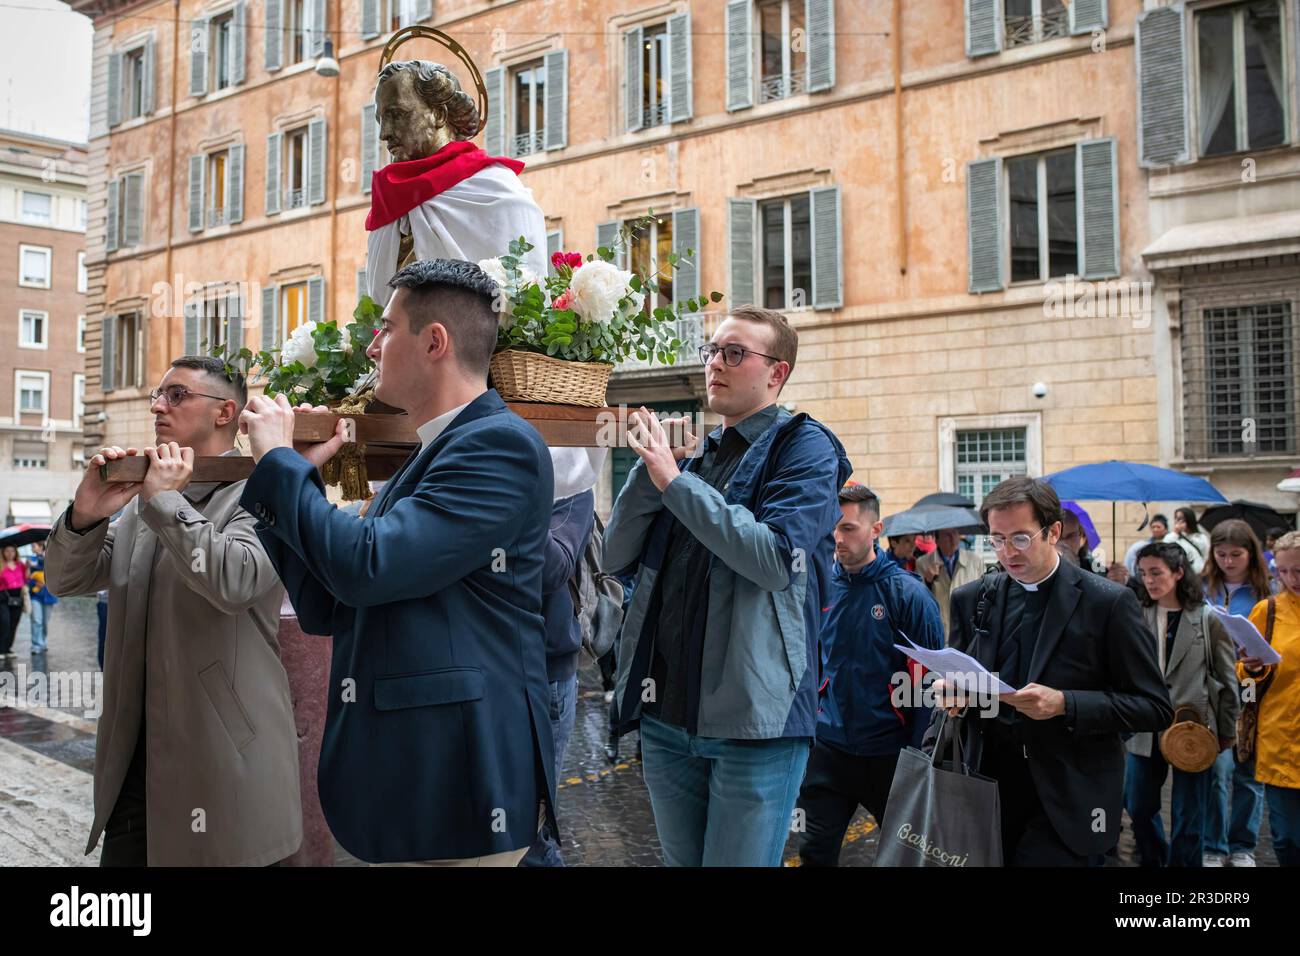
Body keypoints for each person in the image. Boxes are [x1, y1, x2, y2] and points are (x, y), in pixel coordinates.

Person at [238, 259, 557, 867]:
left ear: (434, 341)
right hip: (398, 785)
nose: (372, 345)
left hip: (455, 786)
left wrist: (281, 468)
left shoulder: (499, 445)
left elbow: (368, 566)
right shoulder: (429, 453)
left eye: (385, 329)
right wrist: (290, 480)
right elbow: (328, 604)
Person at [604, 304, 851, 867]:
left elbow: (771, 559)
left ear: (776, 372)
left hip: (754, 724)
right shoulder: (695, 457)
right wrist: (651, 474)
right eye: (712, 350)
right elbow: (616, 556)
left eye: (734, 353)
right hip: (667, 716)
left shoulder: (805, 447)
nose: (715, 363)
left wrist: (672, 480)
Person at [43, 356, 302, 866]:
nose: (159, 406)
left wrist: (166, 504)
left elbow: (238, 580)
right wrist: (84, 516)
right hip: (132, 762)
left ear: (226, 411)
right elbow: (65, 579)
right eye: (158, 396)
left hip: (222, 760)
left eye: (177, 395)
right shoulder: (145, 503)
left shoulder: (265, 492)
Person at [929, 476, 1172, 866]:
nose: (1008, 552)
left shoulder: (1108, 603)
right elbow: (959, 676)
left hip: (1069, 797)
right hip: (986, 791)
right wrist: (951, 693)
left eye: (1021, 538)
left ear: (1053, 531)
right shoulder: (972, 598)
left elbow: (1155, 706)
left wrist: (1065, 704)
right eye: (997, 539)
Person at [797, 485, 943, 866]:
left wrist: (918, 759)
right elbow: (808, 663)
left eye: (848, 528)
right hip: (829, 749)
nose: (837, 538)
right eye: (832, 528)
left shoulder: (908, 595)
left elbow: (929, 685)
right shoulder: (818, 586)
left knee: (906, 856)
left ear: (876, 529)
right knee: (814, 851)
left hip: (888, 755)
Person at [1125, 543, 1238, 867]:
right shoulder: (1136, 614)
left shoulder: (1206, 619)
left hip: (1194, 726)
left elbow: (1227, 680)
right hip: (1145, 727)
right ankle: (1156, 858)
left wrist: (1227, 731)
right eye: (1143, 573)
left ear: (1178, 573)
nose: (1149, 580)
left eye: (1156, 572)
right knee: (1138, 805)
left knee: (1189, 812)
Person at [520, 473, 596, 868]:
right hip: (486, 668)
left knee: (529, 835)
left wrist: (508, 492)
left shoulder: (572, 480)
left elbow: (553, 567)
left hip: (544, 673)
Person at [1200, 519, 1278, 866]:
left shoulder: (1268, 591)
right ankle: (1213, 845)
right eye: (1221, 554)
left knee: (1248, 768)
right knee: (1217, 769)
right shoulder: (1203, 588)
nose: (1228, 562)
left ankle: (1243, 845)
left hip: (1253, 687)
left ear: (1252, 554)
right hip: (1214, 687)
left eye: (1236, 554)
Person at [1242, 531, 1300, 866]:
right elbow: (1245, 675)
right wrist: (1251, 669)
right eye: (1284, 571)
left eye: (1299, 571)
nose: (1292, 579)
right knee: (1287, 837)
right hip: (1280, 741)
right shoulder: (1269, 611)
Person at [916, 527, 983, 639]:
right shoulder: (923, 563)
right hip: (937, 632)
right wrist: (927, 581)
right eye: (947, 535)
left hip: (968, 632)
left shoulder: (975, 561)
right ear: (936, 540)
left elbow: (983, 598)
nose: (953, 539)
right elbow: (918, 601)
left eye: (955, 533)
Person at [26, 540, 58, 655]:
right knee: (36, 620)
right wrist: (34, 583)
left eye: (33, 546)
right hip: (35, 595)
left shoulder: (51, 559)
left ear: (41, 547)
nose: (32, 548)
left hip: (49, 595)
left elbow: (57, 575)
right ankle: (36, 645)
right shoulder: (31, 560)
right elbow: (26, 578)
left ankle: (43, 642)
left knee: (44, 622)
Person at [0, 545, 28, 663]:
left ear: (15, 552)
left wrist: (28, 571)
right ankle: (1, 649)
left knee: (13, 624)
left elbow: (25, 580)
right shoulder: (1, 565)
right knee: (4, 623)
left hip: (17, 597)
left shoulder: (20, 565)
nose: (10, 553)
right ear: (3, 552)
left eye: (12, 551)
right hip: (2, 597)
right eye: (7, 551)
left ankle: (8, 649)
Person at [1165, 507, 1210, 575]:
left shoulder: (1201, 537)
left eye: (1181, 519)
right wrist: (1176, 532)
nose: (1178, 521)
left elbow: (1207, 556)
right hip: (1182, 575)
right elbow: (1165, 547)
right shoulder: (1173, 536)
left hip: (1199, 574)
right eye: (1176, 518)